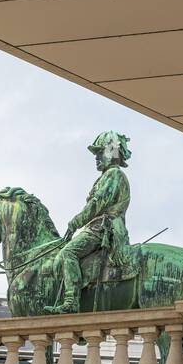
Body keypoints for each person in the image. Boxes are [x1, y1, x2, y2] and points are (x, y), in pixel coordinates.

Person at [50, 131, 132, 313]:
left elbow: (97, 204)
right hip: (99, 227)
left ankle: (71, 302)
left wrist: (75, 222)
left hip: (102, 229)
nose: (96, 158)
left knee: (67, 253)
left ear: (112, 152)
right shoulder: (107, 176)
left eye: (100, 153)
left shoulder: (114, 174)